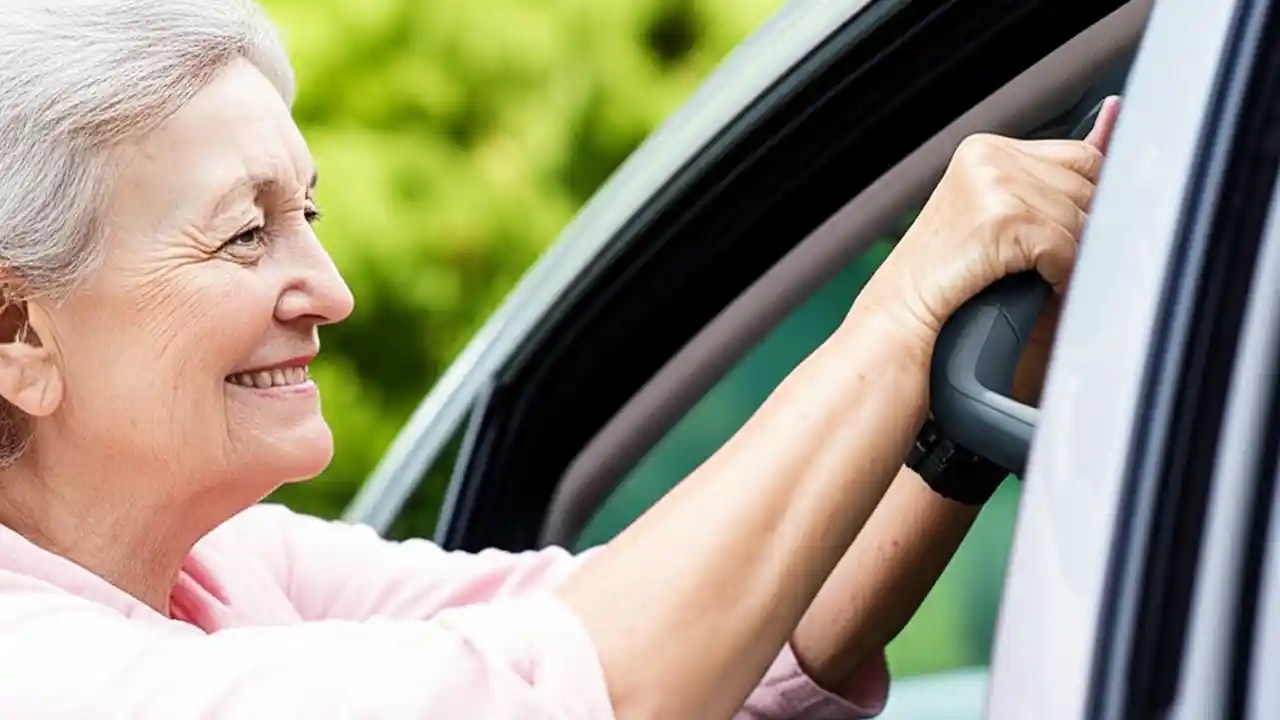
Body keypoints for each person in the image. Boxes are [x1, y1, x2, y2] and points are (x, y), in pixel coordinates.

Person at [0, 1, 1117, 718]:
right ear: (18, 332)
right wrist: (896, 313)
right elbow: (601, 689)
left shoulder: (226, 569)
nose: (330, 292)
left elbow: (706, 624)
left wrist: (969, 394)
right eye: (246, 232)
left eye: (309, 215)